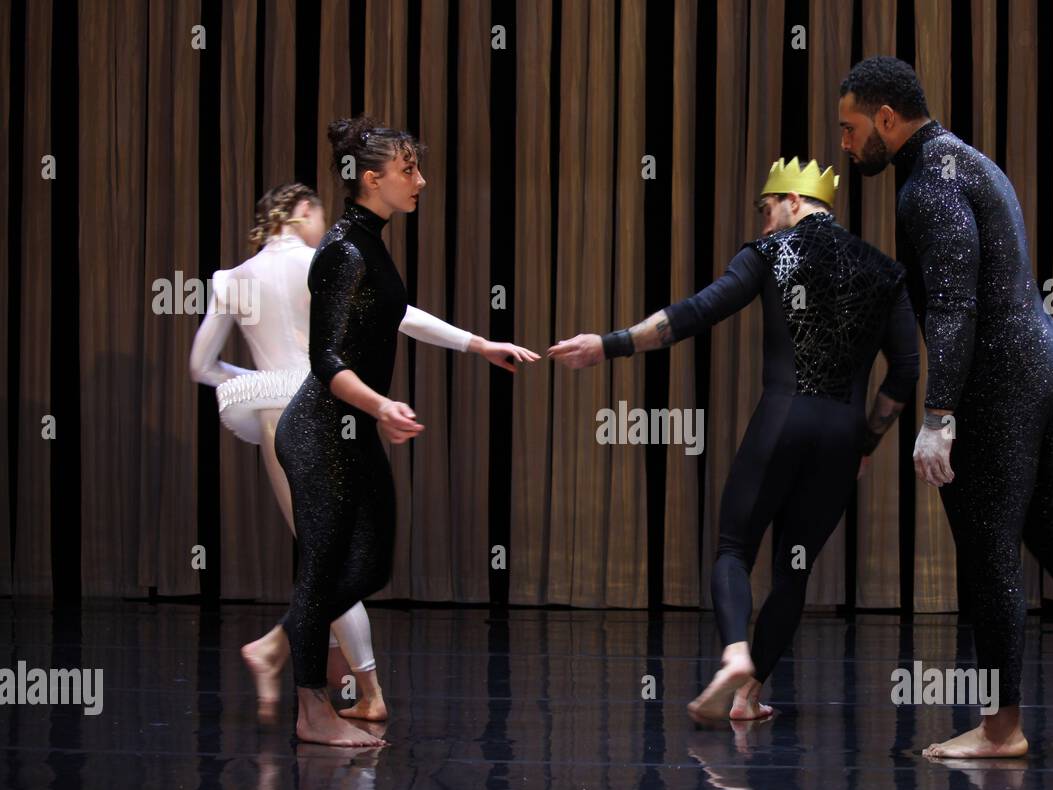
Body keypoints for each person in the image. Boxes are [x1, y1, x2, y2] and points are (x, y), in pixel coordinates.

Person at [838, 55, 1053, 757]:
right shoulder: (967, 160)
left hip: (1002, 375)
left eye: (850, 126)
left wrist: (939, 415)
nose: (844, 143)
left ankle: (1000, 727)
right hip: (1048, 356)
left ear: (886, 120)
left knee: (988, 553)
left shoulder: (927, 184)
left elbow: (954, 304)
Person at [550, 157, 918, 721]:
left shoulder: (768, 253)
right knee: (794, 569)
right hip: (842, 436)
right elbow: (905, 372)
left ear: (794, 201)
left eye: (767, 210)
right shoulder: (885, 271)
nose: (764, 224)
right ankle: (749, 696)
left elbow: (698, 312)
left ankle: (736, 655)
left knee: (734, 548)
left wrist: (610, 344)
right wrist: (866, 443)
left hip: (783, 419)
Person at [272, 115, 536, 745]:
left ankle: (289, 646)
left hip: (350, 428)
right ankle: (312, 711)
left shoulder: (369, 243)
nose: (422, 180)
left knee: (369, 565)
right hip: (318, 430)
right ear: (372, 179)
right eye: (408, 170)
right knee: (326, 570)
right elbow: (326, 362)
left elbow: (397, 313)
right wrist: (381, 404)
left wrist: (479, 343)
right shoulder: (340, 250)